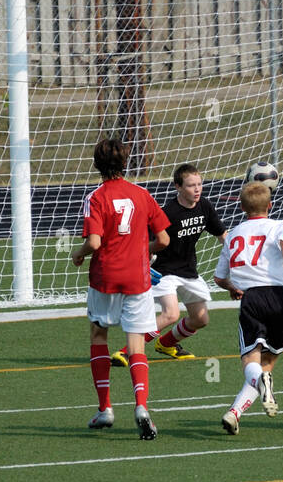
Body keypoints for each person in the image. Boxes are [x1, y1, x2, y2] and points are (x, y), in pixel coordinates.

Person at [71, 137, 171, 439]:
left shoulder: (96, 197)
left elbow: (95, 242)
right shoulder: (142, 194)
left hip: (105, 278)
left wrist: (78, 254)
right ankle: (141, 406)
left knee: (98, 334)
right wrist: (144, 249)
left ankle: (105, 409)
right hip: (137, 279)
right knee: (136, 342)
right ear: (125, 163)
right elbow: (164, 240)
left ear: (97, 164)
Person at [212, 181, 283, 434]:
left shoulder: (234, 234)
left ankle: (254, 391)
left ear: (241, 206)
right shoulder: (281, 226)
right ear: (270, 205)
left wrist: (231, 288)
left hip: (253, 299)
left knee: (251, 360)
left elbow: (218, 278)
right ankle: (235, 412)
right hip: (282, 298)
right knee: (267, 363)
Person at [110, 163, 226, 364]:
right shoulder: (168, 213)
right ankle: (126, 351)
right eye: (191, 185)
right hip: (164, 271)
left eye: (199, 184)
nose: (197, 189)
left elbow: (222, 235)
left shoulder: (205, 206)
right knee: (170, 314)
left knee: (200, 319)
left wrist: (236, 255)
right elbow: (142, 241)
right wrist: (140, 262)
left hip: (188, 270)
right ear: (177, 187)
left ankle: (166, 344)